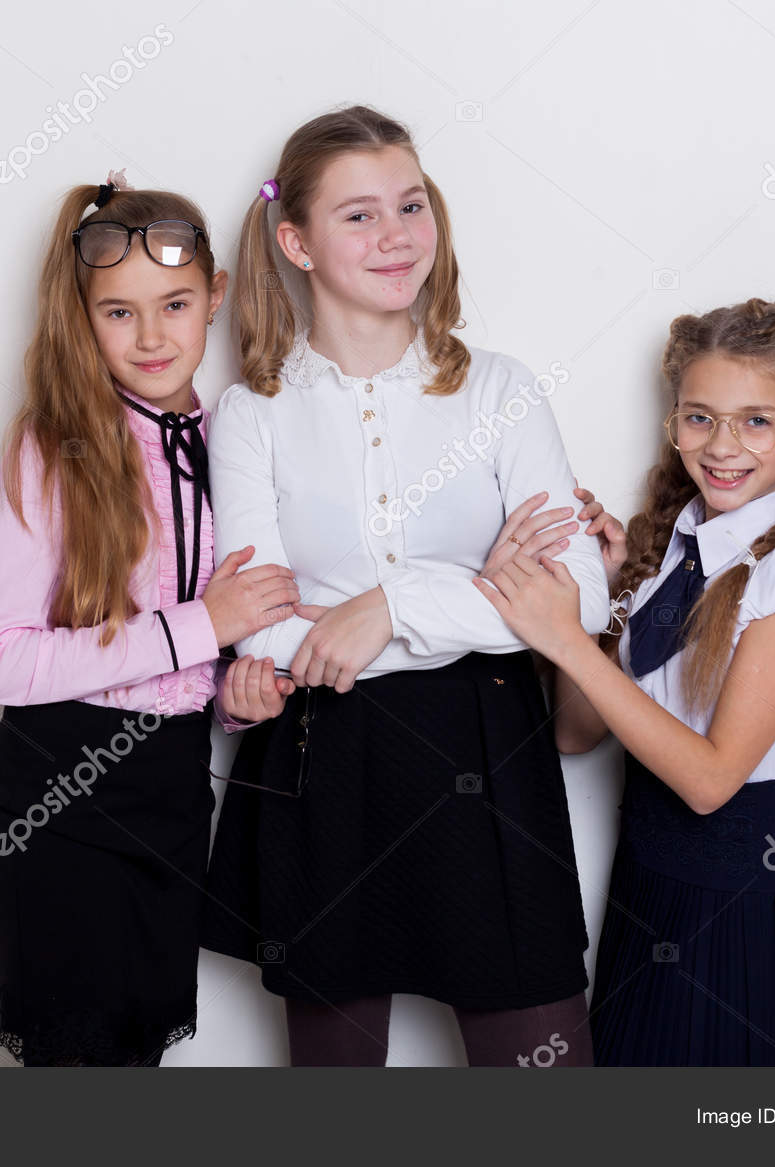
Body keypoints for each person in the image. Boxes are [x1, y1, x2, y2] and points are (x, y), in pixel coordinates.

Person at [201, 105, 610, 1067]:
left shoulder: (501, 389)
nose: (397, 237)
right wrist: (491, 589)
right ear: (294, 241)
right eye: (359, 215)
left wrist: (393, 602)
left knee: (544, 1065)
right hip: (323, 760)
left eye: (411, 205)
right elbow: (258, 634)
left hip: (491, 751)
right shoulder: (252, 412)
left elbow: (581, 597)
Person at [0, 171, 299, 1066]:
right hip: (62, 786)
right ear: (83, 316)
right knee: (76, 1062)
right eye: (118, 312)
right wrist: (204, 622)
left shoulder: (233, 437)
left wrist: (238, 696)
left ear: (216, 297)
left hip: (175, 784)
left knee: (135, 1056)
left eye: (176, 304)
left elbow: (202, 657)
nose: (152, 336)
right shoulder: (53, 441)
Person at [477, 296, 775, 1065]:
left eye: (757, 420)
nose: (722, 445)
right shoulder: (661, 561)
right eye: (700, 417)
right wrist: (598, 602)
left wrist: (568, 645)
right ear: (673, 421)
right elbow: (578, 734)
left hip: (734, 901)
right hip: (646, 889)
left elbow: (711, 782)